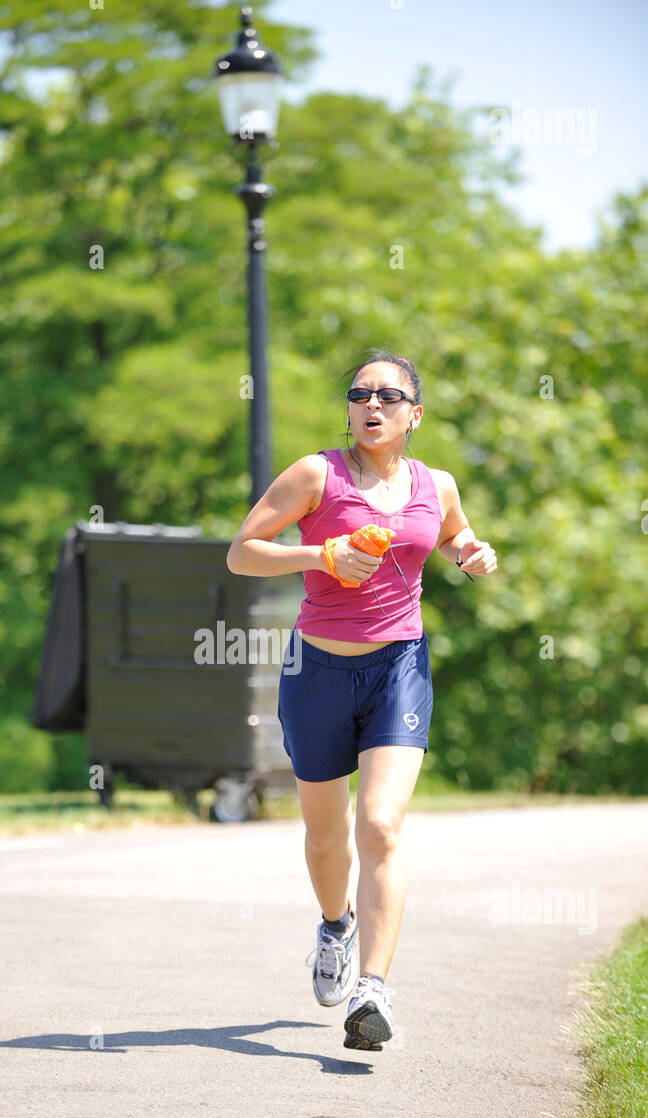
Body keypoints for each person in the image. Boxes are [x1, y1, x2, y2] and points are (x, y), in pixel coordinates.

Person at [226, 350, 497, 1051]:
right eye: (358, 394)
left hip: (397, 668)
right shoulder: (316, 474)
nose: (371, 405)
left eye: (388, 395)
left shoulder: (434, 484)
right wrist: (319, 555)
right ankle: (335, 925)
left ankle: (372, 990)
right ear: (348, 408)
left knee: (378, 825)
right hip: (315, 669)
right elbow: (243, 551)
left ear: (414, 414)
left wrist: (469, 551)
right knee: (324, 832)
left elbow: (448, 534)